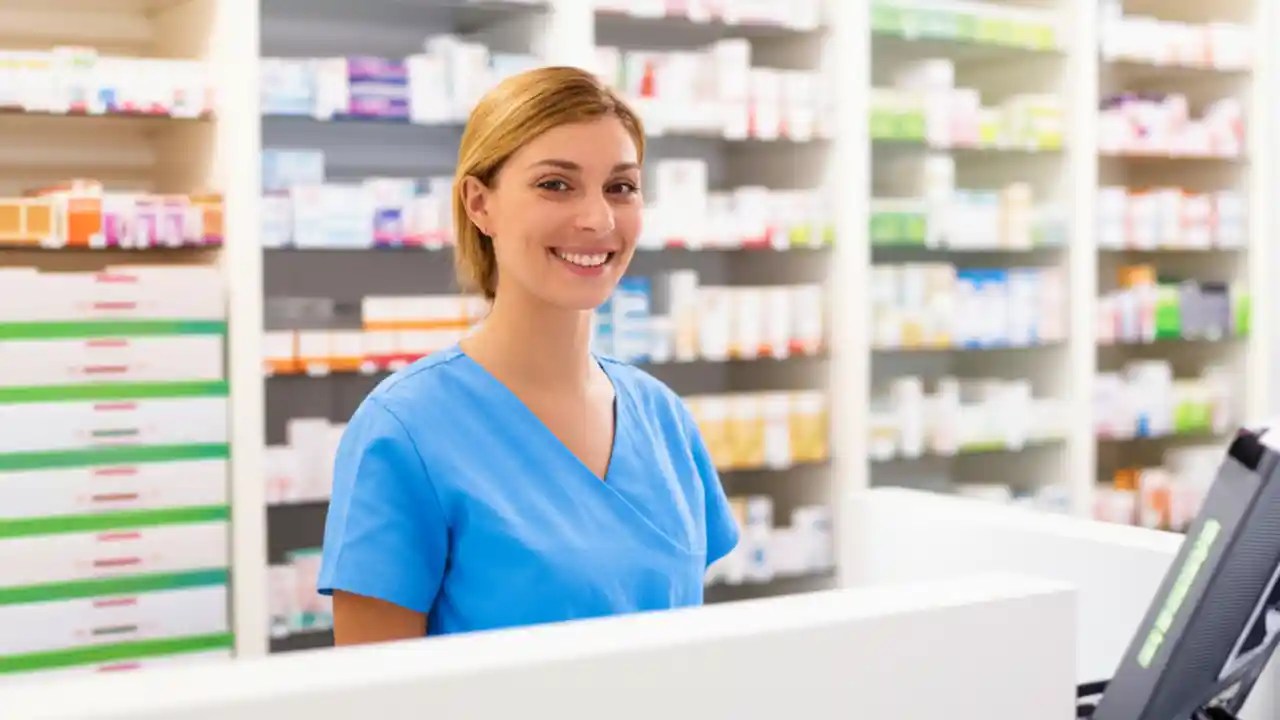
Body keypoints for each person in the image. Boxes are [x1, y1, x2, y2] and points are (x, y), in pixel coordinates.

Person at [317, 66, 740, 645]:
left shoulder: (663, 418)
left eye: (621, 187)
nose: (598, 219)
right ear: (479, 204)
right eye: (555, 185)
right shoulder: (405, 431)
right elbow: (371, 696)